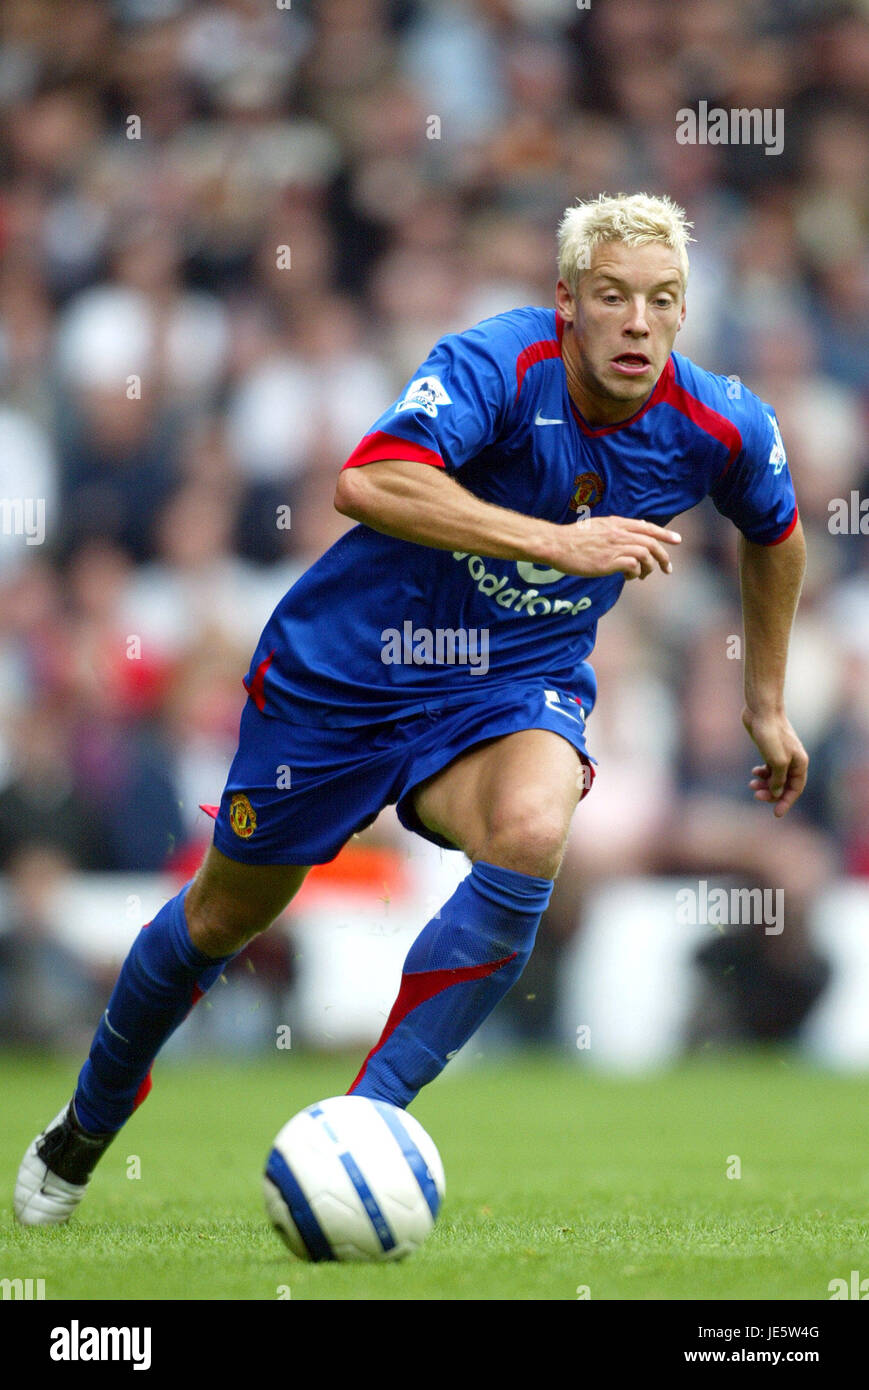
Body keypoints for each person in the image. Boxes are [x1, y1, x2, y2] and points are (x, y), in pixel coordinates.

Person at [15, 192, 808, 1226]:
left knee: (532, 827)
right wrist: (553, 541)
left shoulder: (718, 420)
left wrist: (764, 704)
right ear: (564, 302)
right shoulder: (496, 363)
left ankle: (363, 1122)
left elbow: (777, 533)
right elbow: (370, 481)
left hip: (508, 685)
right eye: (610, 297)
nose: (637, 323)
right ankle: (89, 1117)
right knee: (224, 914)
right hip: (345, 676)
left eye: (661, 301)